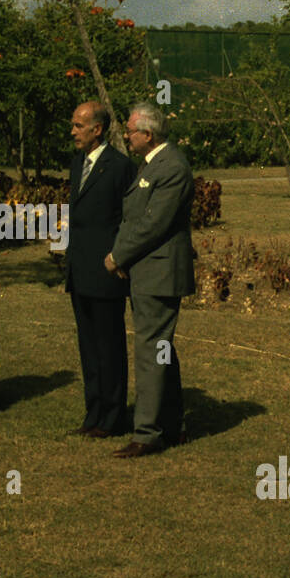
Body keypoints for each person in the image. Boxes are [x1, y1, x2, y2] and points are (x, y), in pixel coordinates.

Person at [105, 102, 195, 458]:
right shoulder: (153, 163)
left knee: (150, 350)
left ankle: (147, 434)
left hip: (159, 273)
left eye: (130, 131)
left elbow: (152, 224)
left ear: (148, 134)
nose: (126, 136)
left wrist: (118, 255)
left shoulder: (171, 166)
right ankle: (171, 426)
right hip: (149, 271)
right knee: (160, 349)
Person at [64, 101, 134, 438]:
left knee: (109, 347)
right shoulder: (77, 164)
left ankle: (114, 417)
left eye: (79, 125)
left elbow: (129, 218)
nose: (73, 131)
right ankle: (93, 412)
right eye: (74, 125)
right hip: (80, 272)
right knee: (88, 348)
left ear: (98, 129)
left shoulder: (120, 167)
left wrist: (119, 257)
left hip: (107, 272)